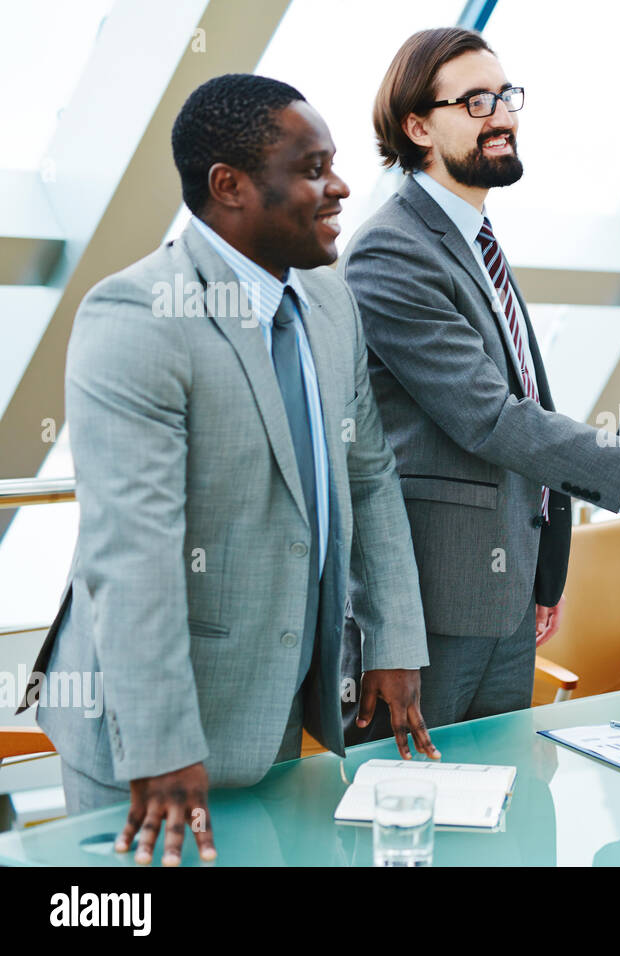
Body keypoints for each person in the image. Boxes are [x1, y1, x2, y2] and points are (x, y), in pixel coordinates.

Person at [20, 74, 436, 865]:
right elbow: (130, 554)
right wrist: (161, 747)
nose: (341, 186)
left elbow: (370, 471)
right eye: (314, 168)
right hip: (146, 740)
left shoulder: (328, 300)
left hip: (275, 708)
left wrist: (393, 639)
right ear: (229, 187)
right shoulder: (138, 316)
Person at [341, 27, 620, 736]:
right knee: (418, 822)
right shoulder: (390, 249)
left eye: (505, 96)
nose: (501, 115)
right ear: (417, 126)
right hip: (429, 614)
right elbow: (493, 419)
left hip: (507, 598)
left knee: (505, 815)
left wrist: (542, 570)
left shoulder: (477, 240)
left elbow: (525, 406)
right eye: (475, 101)